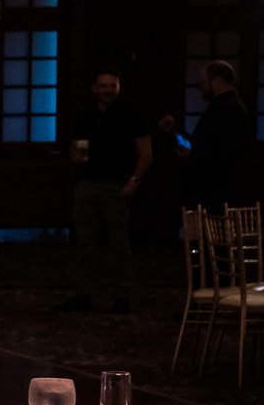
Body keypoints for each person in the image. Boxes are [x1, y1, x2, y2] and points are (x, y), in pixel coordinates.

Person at [58, 66, 152, 313]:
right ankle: (84, 293)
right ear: (94, 88)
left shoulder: (130, 115)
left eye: (112, 86)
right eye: (104, 86)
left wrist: (134, 182)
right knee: (86, 242)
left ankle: (121, 295)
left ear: (119, 88)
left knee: (118, 243)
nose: (108, 90)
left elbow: (146, 153)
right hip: (87, 184)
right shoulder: (85, 115)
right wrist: (76, 161)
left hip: (116, 185)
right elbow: (76, 150)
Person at [162, 59, 253, 211]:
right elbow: (200, 144)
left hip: (216, 192)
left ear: (217, 81)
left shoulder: (229, 110)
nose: (201, 87)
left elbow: (222, 152)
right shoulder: (223, 107)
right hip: (213, 190)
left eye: (203, 83)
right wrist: (175, 132)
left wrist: (192, 154)